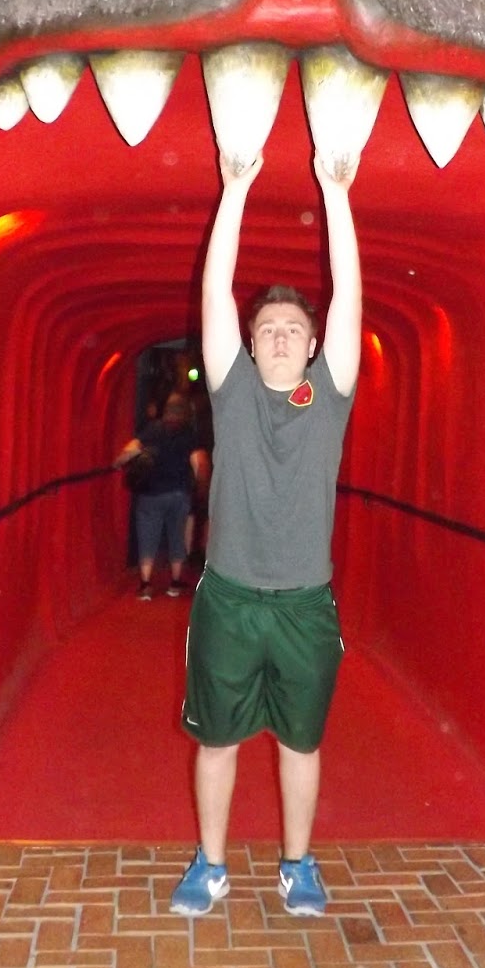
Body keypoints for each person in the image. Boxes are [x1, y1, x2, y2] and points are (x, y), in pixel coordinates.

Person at [168, 149, 361, 919]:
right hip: (230, 600)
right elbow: (215, 289)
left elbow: (348, 295)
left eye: (292, 328)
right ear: (250, 345)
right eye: (268, 328)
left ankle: (297, 864)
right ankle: (210, 866)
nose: (280, 336)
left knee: (300, 742)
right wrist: (236, 187)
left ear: (312, 345)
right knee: (217, 739)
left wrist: (336, 196)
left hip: (305, 605)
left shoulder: (331, 395)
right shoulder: (233, 390)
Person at [114, 393, 208, 599]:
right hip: (178, 494)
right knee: (177, 535)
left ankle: (146, 584)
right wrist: (201, 489)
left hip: (151, 494)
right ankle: (174, 584)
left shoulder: (153, 429)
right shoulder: (189, 433)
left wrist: (118, 462)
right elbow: (198, 463)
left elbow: (132, 449)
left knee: (147, 535)